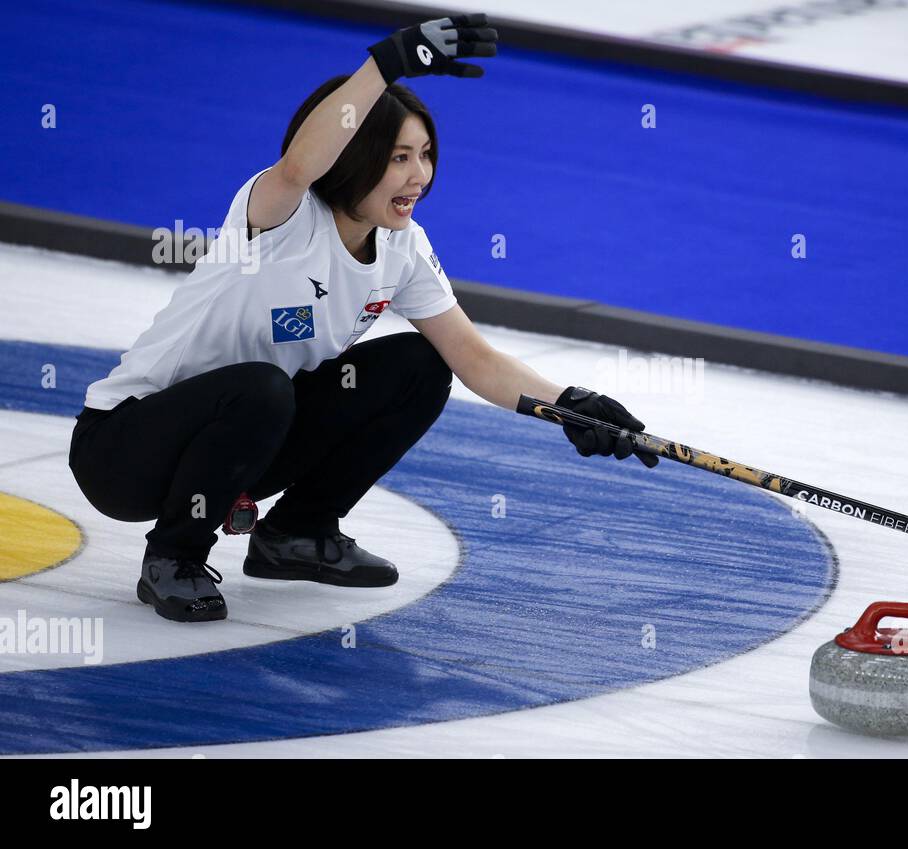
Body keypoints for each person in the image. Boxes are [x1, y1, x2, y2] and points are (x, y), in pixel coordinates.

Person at [68, 15, 656, 624]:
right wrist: (384, 66)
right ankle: (175, 556)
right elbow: (299, 165)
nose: (419, 176)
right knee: (261, 388)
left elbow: (473, 358)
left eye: (425, 155)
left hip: (246, 441)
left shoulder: (403, 246)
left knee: (419, 365)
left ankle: (298, 532)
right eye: (399, 157)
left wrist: (569, 404)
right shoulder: (281, 216)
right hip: (123, 452)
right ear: (352, 158)